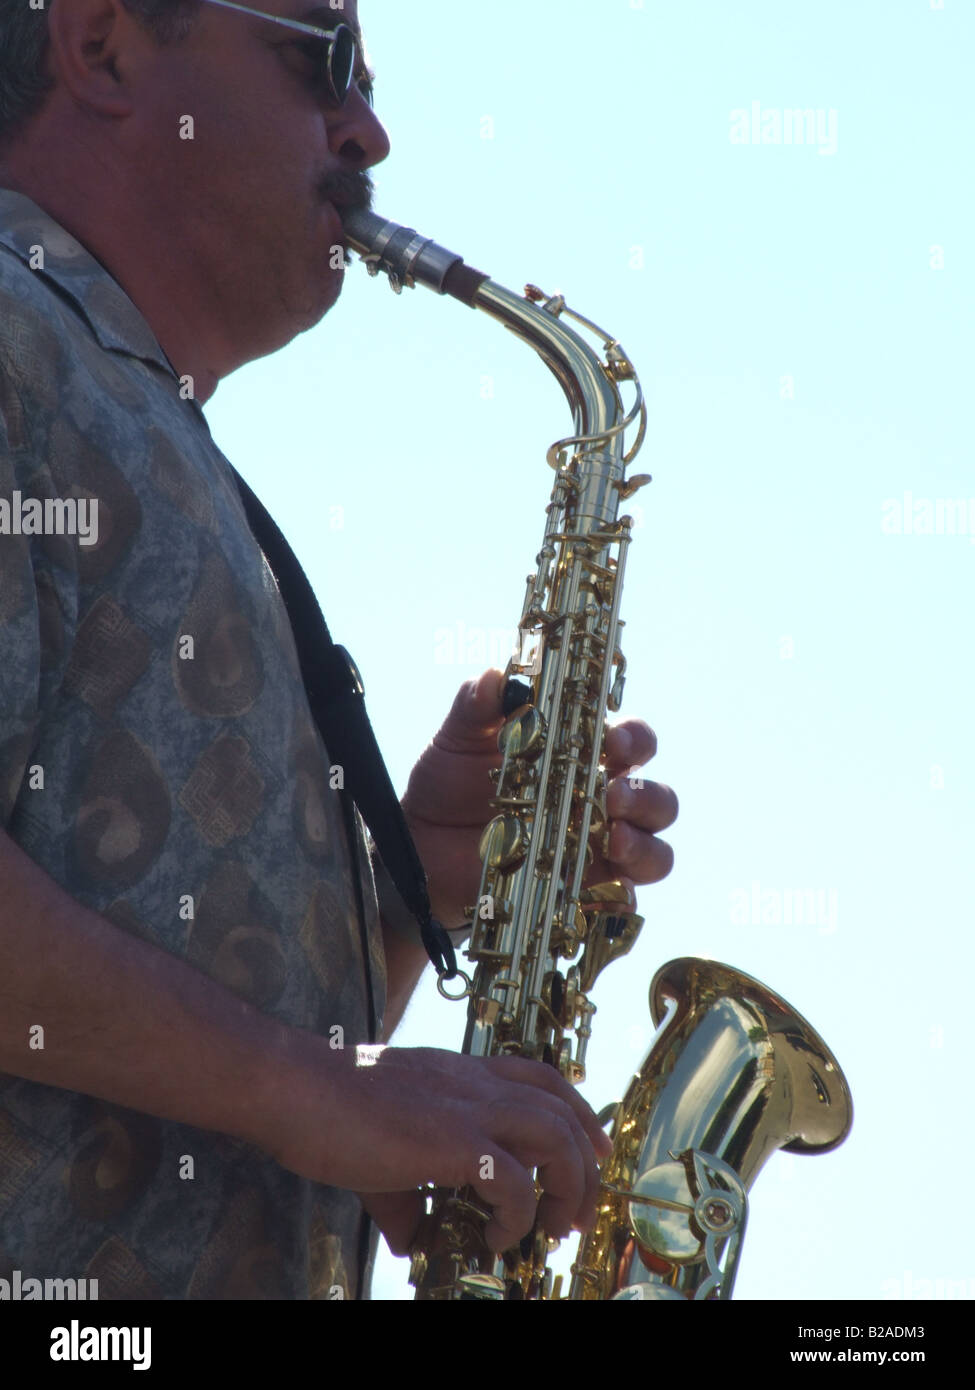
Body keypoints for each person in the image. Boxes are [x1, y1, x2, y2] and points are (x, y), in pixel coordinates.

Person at [0, 0, 679, 1300]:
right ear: (101, 46)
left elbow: (177, 1050)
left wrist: (403, 896)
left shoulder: (144, 424)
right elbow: (290, 1094)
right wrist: (319, 1087)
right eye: (324, 61)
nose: (368, 128)